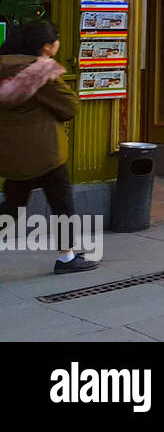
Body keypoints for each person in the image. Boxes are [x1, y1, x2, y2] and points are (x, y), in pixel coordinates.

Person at [0, 22, 98, 273]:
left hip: (12, 151)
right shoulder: (40, 72)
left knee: (13, 204)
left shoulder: (4, 66)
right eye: (57, 39)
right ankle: (66, 257)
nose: (58, 43)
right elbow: (69, 107)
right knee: (61, 203)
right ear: (46, 45)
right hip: (45, 152)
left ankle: (68, 254)